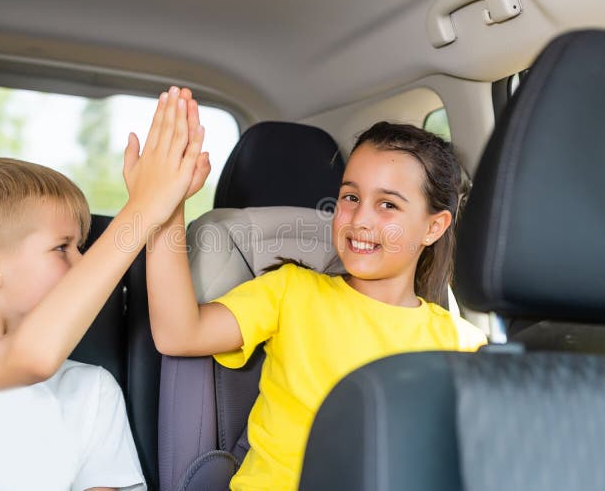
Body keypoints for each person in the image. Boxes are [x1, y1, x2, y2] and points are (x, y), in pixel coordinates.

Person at [147, 120, 487, 490]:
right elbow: (178, 334)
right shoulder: (291, 292)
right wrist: (166, 204)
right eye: (350, 197)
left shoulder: (463, 345)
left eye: (387, 204)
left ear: (433, 228)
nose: (360, 220)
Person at [0, 86, 209, 491]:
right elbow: (31, 358)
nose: (82, 262)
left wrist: (167, 207)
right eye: (62, 248)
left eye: (82, 247)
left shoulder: (93, 389)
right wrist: (142, 209)